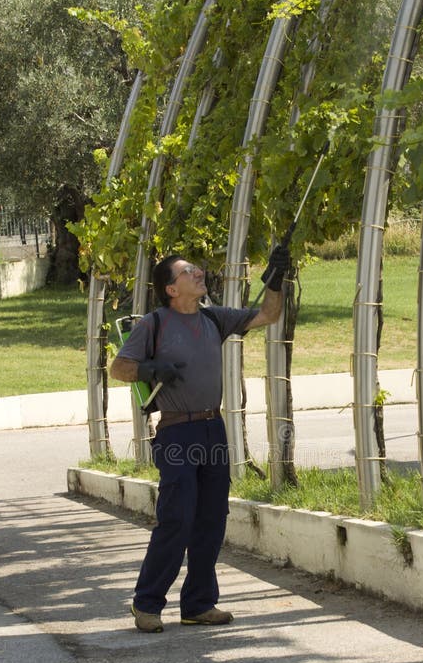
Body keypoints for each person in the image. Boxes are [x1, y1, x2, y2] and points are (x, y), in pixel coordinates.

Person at [110, 246, 291, 632]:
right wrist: (150, 367)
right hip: (177, 432)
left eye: (196, 269)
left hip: (213, 429)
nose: (198, 273)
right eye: (188, 272)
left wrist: (275, 279)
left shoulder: (214, 318)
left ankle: (198, 603)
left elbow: (268, 314)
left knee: (211, 518)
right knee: (177, 518)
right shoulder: (154, 324)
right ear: (171, 289)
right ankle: (146, 603)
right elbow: (119, 368)